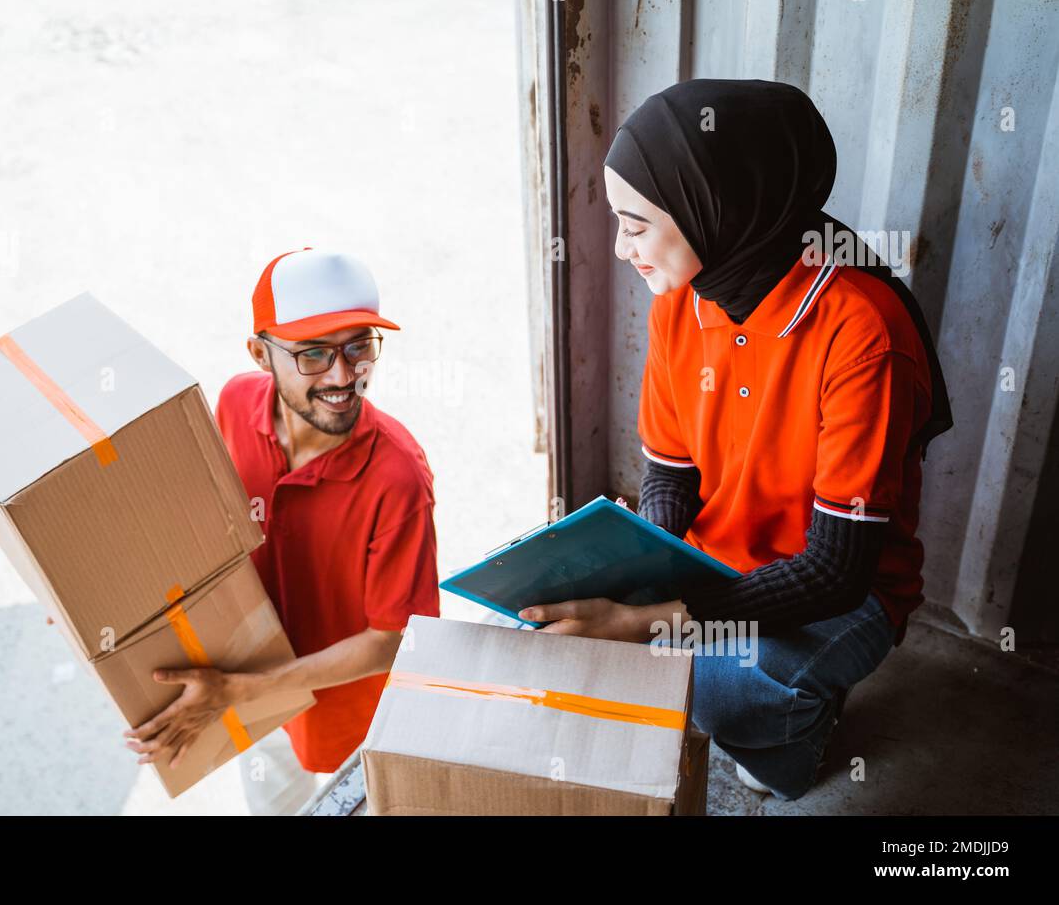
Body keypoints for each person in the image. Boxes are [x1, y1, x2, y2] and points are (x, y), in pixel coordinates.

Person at [517, 79, 953, 801]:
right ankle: (740, 680)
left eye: (635, 224)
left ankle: (802, 726)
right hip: (720, 562)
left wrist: (651, 626)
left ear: (710, 210)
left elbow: (836, 572)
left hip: (847, 592)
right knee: (563, 617)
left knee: (722, 694)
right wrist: (636, 566)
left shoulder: (859, 332)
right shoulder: (686, 295)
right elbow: (671, 475)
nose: (621, 248)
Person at [123, 248, 439, 814]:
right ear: (259, 355)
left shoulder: (397, 476)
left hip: (341, 728)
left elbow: (391, 640)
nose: (342, 376)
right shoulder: (235, 401)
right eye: (313, 354)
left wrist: (239, 690)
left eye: (358, 346)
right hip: (250, 699)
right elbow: (204, 519)